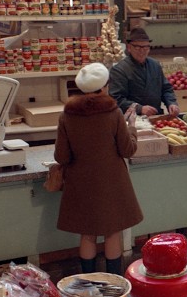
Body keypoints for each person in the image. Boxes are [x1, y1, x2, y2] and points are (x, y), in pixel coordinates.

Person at [54, 62, 144, 276]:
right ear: (104, 87)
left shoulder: (67, 115)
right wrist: (132, 127)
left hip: (80, 183)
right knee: (113, 233)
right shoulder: (113, 114)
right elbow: (127, 149)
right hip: (111, 183)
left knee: (87, 234)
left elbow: (61, 156)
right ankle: (113, 283)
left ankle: (88, 282)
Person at [107, 27, 180, 118]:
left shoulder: (155, 65)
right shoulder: (119, 70)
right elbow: (116, 98)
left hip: (155, 116)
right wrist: (139, 108)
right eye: (138, 47)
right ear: (129, 47)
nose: (142, 51)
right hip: (132, 119)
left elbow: (166, 89)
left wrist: (171, 103)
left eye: (146, 47)